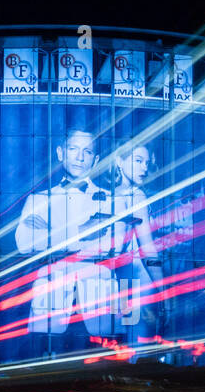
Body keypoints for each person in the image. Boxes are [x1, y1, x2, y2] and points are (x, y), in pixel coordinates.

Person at [15, 123, 122, 350]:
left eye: (88, 152)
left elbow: (115, 245)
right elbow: (24, 242)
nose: (80, 158)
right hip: (51, 299)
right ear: (61, 153)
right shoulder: (39, 199)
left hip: (98, 299)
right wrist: (82, 231)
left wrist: (51, 234)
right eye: (74, 149)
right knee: (45, 373)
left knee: (103, 373)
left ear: (95, 159)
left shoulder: (113, 200)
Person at [106, 142, 165, 346]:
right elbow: (147, 247)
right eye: (138, 161)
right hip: (133, 281)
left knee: (125, 342)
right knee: (134, 342)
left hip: (128, 281)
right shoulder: (133, 196)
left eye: (146, 162)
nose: (144, 168)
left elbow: (145, 247)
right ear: (119, 162)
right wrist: (163, 289)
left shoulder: (121, 195)